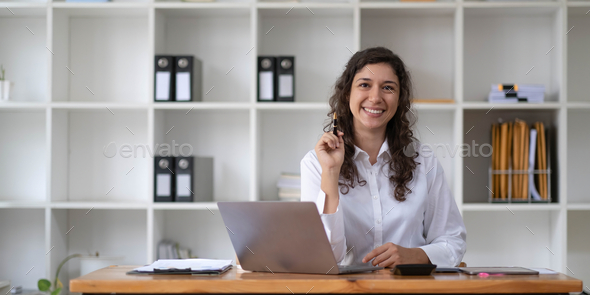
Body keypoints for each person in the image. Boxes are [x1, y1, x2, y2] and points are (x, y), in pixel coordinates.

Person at [300, 47, 466, 268]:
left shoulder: (423, 160)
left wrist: (416, 255)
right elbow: (324, 259)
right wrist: (330, 172)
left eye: (388, 88)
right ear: (348, 93)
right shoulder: (315, 163)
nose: (375, 97)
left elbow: (453, 241)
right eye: (364, 85)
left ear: (399, 99)